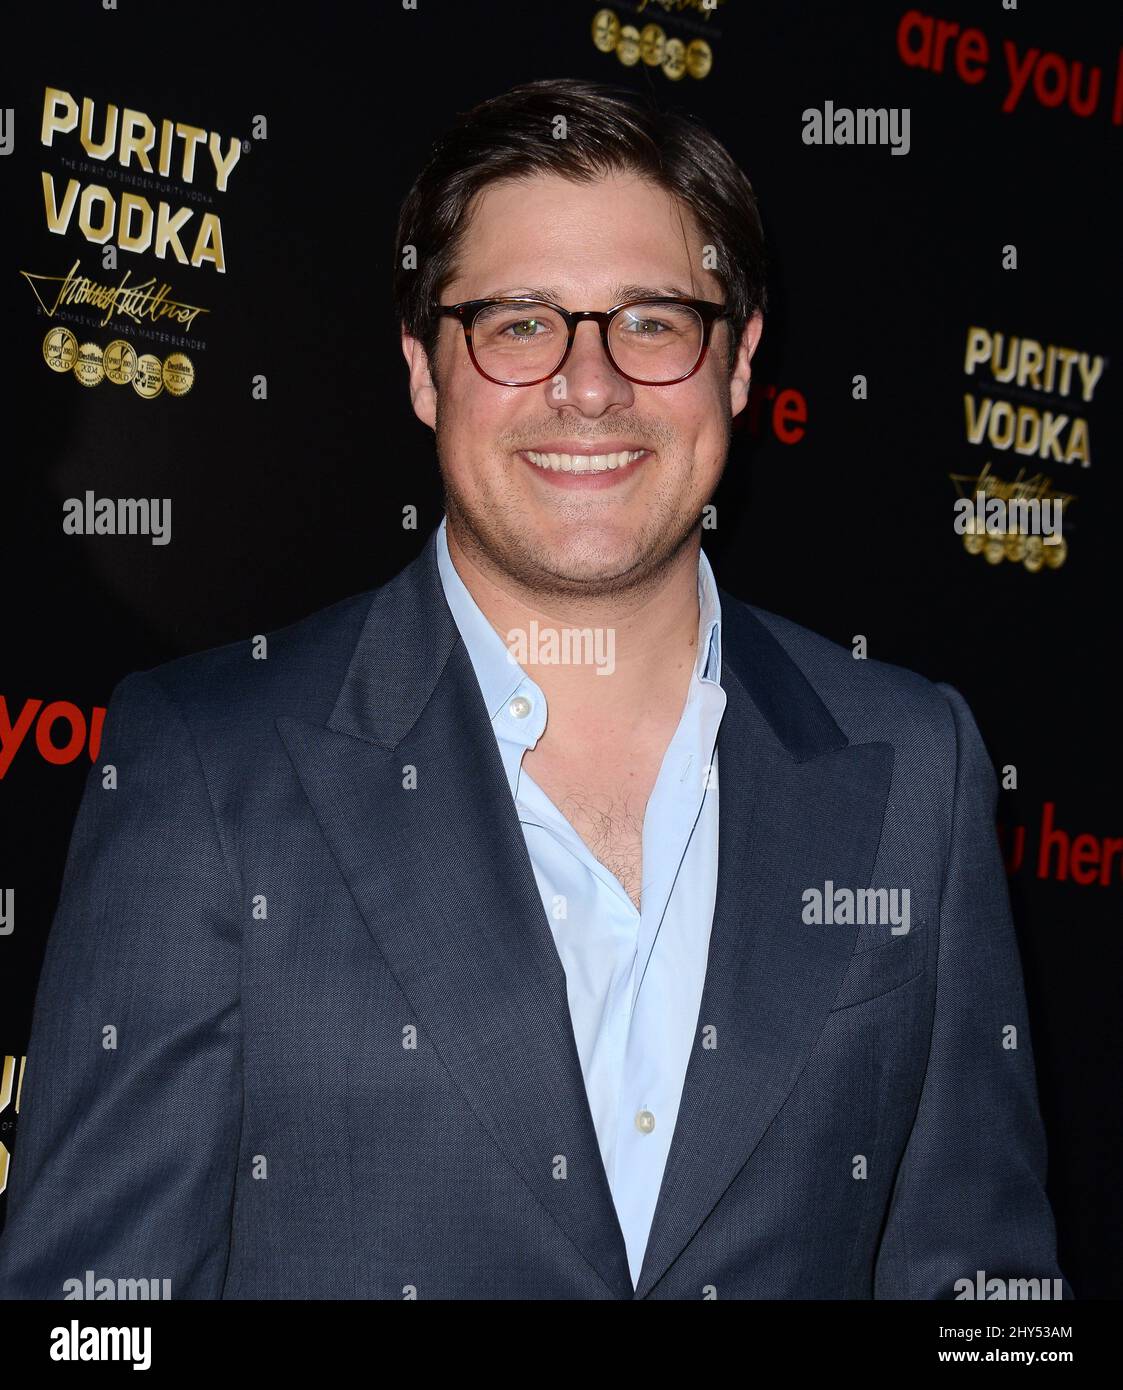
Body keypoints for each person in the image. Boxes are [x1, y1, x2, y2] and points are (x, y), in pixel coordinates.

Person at [0, 78, 1067, 1300]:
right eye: (518, 323)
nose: (590, 385)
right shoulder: (205, 766)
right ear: (422, 369)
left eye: (653, 321)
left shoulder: (913, 760)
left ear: (737, 364)